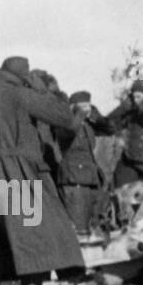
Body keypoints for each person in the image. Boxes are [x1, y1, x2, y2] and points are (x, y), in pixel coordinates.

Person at [0, 57, 84, 285]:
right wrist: (41, 89)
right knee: (36, 239)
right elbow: (65, 118)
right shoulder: (22, 95)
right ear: (24, 75)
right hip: (17, 175)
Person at [54, 91, 115, 235]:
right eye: (83, 107)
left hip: (91, 180)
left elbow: (111, 128)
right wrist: (79, 114)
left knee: (94, 228)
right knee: (78, 230)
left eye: (89, 106)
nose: (86, 110)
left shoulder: (87, 125)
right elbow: (69, 131)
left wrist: (95, 115)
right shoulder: (64, 122)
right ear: (72, 107)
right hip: (74, 182)